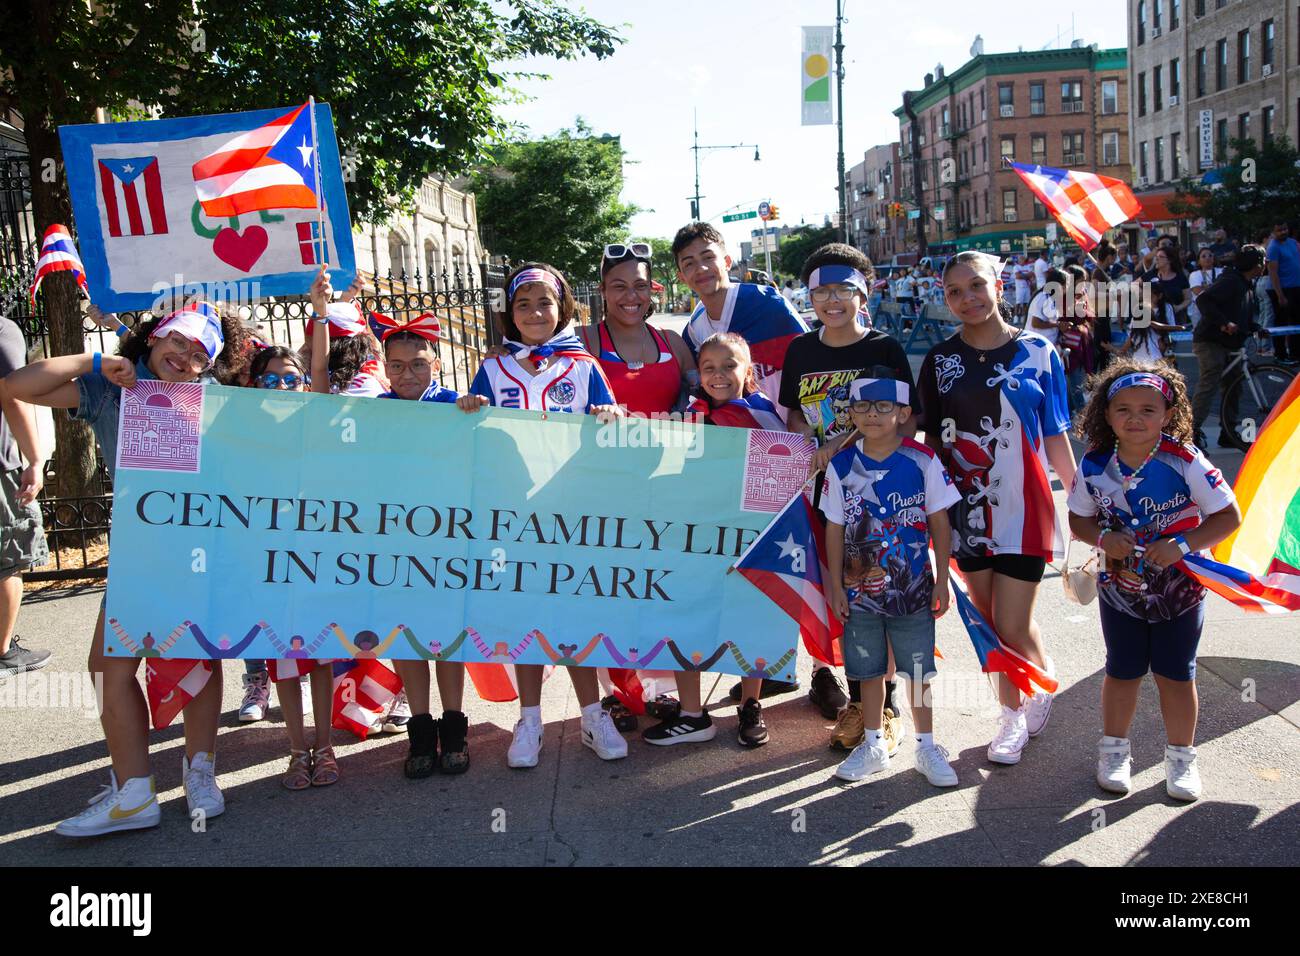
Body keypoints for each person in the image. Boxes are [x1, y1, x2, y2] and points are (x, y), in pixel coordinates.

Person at [1, 301, 250, 836]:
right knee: (111, 666)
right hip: (140, 557)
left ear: (211, 364)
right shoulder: (114, 389)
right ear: (155, 337)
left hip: (203, 553)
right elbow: (16, 385)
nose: (185, 358)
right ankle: (135, 791)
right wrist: (94, 362)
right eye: (178, 343)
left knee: (199, 659)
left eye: (200, 353)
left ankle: (200, 773)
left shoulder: (221, 402)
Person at [457, 262, 627, 768]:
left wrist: (613, 416)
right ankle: (529, 718)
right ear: (509, 313)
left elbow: (611, 432)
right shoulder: (491, 367)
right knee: (524, 617)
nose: (534, 312)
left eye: (545, 302)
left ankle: (593, 716)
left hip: (570, 512)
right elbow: (473, 436)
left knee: (576, 614)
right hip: (512, 513)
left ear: (564, 308)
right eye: (523, 303)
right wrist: (467, 408)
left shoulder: (584, 367)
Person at [918, 252, 1077, 766]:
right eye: (954, 292)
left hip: (1026, 507)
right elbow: (923, 438)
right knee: (988, 619)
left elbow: (1054, 433)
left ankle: (1017, 708)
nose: (967, 299)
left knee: (1011, 621)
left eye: (976, 286)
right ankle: (1024, 693)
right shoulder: (939, 361)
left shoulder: (1039, 352)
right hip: (961, 511)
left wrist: (1083, 498)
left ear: (999, 286)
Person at [1067, 361, 1242, 800]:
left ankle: (1181, 759)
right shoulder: (1093, 464)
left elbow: (1228, 516)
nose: (1135, 418)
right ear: (1106, 416)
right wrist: (1104, 537)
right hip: (1119, 591)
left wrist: (1182, 545)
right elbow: (1078, 519)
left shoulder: (1185, 460)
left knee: (1177, 675)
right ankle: (1114, 753)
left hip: (1179, 590)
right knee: (1122, 671)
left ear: (1168, 413)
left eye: (1148, 409)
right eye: (1122, 409)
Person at [779, 243, 915, 752]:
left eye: (842, 290)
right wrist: (807, 444)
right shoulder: (801, 350)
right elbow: (793, 410)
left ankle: (886, 703)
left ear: (864, 293)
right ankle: (861, 699)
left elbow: (909, 419)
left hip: (876, 495)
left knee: (875, 591)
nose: (831, 300)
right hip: (822, 492)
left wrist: (847, 441)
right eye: (821, 291)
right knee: (841, 593)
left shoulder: (883, 349)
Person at [641, 332, 787, 749]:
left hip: (748, 537)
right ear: (697, 373)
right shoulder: (688, 413)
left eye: (729, 366)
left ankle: (751, 706)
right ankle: (691, 713)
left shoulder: (762, 414)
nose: (719, 375)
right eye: (709, 368)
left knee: (750, 618)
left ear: (749, 371)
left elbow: (781, 476)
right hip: (695, 535)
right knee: (684, 614)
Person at [822, 368, 960, 787]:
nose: (872, 414)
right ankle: (873, 744)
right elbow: (834, 528)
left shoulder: (923, 460)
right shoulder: (842, 465)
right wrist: (834, 585)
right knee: (867, 669)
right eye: (862, 406)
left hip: (914, 590)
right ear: (851, 413)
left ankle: (927, 745)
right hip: (858, 591)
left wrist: (940, 580)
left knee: (917, 671)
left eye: (884, 406)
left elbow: (940, 522)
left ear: (903, 413)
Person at [366, 310, 471, 776]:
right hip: (395, 545)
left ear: (437, 363)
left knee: (446, 636)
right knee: (406, 634)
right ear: (385, 367)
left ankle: (454, 728)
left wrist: (475, 412)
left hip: (448, 544)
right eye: (397, 365)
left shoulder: (458, 406)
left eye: (418, 363)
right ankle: (420, 730)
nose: (407, 374)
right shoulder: (374, 412)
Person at [676, 222, 808, 417]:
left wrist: (801, 419)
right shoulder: (694, 331)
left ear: (727, 262)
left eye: (708, 257)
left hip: (789, 432)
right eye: (689, 263)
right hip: (734, 436)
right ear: (681, 277)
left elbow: (811, 367)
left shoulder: (769, 305)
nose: (701, 268)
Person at [577, 242, 694, 416]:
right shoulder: (579, 341)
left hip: (667, 444)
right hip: (600, 443)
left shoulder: (673, 343)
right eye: (619, 286)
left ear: (650, 288)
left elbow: (703, 398)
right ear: (603, 290)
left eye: (640, 286)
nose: (631, 296)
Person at [0, 312, 51, 678]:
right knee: (7, 560)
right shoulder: (2, 330)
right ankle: (3, 653)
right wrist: (34, 459)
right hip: (1, 464)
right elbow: (11, 393)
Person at [1190, 245, 1267, 449]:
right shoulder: (1231, 281)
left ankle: (1228, 432)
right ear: (1257, 264)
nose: (1264, 265)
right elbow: (1204, 301)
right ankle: (1190, 432)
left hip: (1230, 342)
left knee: (1234, 386)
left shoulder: (1246, 283)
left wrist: (1256, 327)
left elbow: (1242, 315)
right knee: (1210, 381)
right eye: (1263, 261)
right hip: (1210, 339)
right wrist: (1224, 322)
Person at [1266, 220, 1300, 363]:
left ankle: (1295, 353)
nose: (1283, 232)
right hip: (1280, 289)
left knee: (1296, 323)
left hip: (1295, 287)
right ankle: (1280, 355)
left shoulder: (1293, 243)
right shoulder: (1273, 247)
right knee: (1281, 324)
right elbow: (1273, 273)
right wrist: (1280, 295)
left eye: (1285, 229)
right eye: (1279, 230)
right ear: (1274, 232)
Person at [1186, 247, 1222, 331]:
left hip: (1218, 308)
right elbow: (1197, 291)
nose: (1207, 258)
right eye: (1204, 256)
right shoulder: (1194, 274)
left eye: (1210, 255)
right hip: (1200, 310)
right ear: (1198, 261)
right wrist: (1215, 287)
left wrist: (1207, 287)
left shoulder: (1221, 271)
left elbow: (1224, 289)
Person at [1013, 256, 1033, 324]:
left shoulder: (1028, 266)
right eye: (1021, 259)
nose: (1023, 260)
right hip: (1019, 288)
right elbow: (1018, 276)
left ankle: (1023, 318)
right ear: (1019, 260)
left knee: (1025, 303)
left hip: (1027, 287)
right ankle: (1015, 318)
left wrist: (1023, 275)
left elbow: (1031, 275)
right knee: (1018, 303)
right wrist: (1026, 276)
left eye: (1023, 259)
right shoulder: (1016, 267)